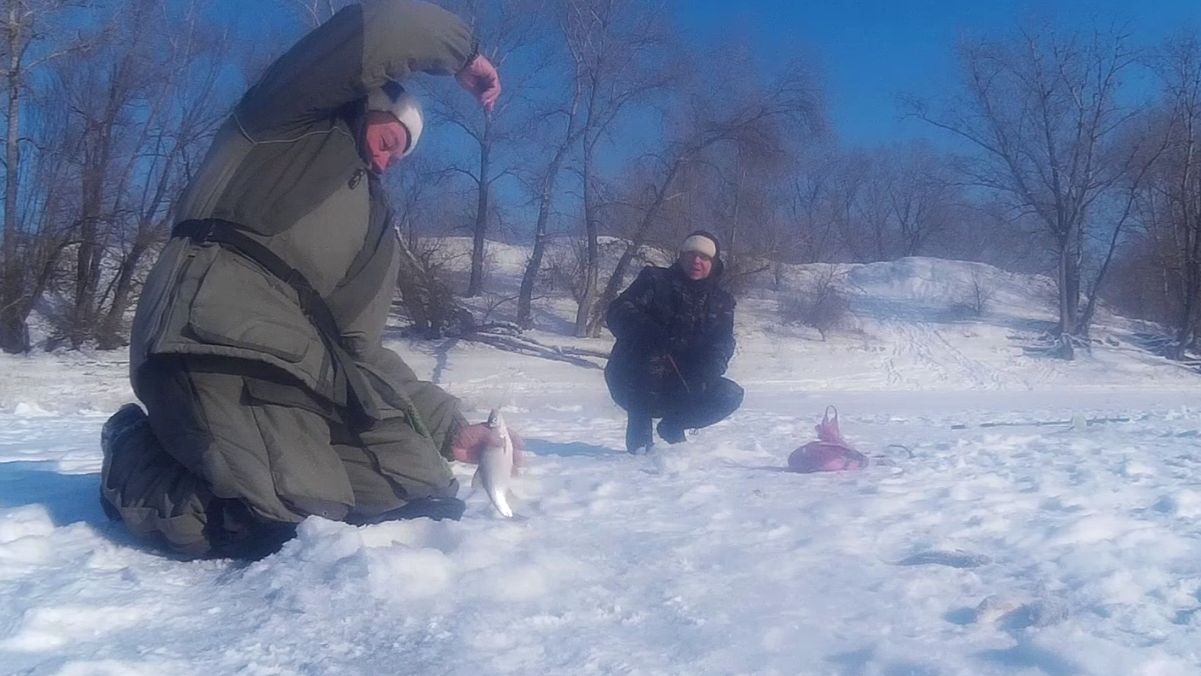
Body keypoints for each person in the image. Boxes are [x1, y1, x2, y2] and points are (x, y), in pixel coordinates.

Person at [99, 0, 506, 560]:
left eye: (400, 157)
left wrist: (448, 427)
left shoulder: (373, 226)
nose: (388, 162)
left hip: (303, 371)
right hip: (213, 337)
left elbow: (361, 350)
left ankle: (251, 457)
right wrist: (465, 53)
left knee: (422, 495)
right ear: (365, 106)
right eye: (389, 141)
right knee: (278, 520)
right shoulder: (283, 123)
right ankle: (131, 450)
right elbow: (378, 29)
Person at [604, 231, 744, 454]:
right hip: (635, 380)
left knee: (730, 394)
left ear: (713, 263)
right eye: (691, 254)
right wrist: (648, 331)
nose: (696, 261)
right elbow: (617, 312)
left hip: (681, 385)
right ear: (681, 256)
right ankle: (639, 448)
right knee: (648, 361)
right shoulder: (654, 280)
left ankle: (673, 426)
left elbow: (722, 343)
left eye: (704, 257)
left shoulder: (721, 301)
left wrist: (706, 372)